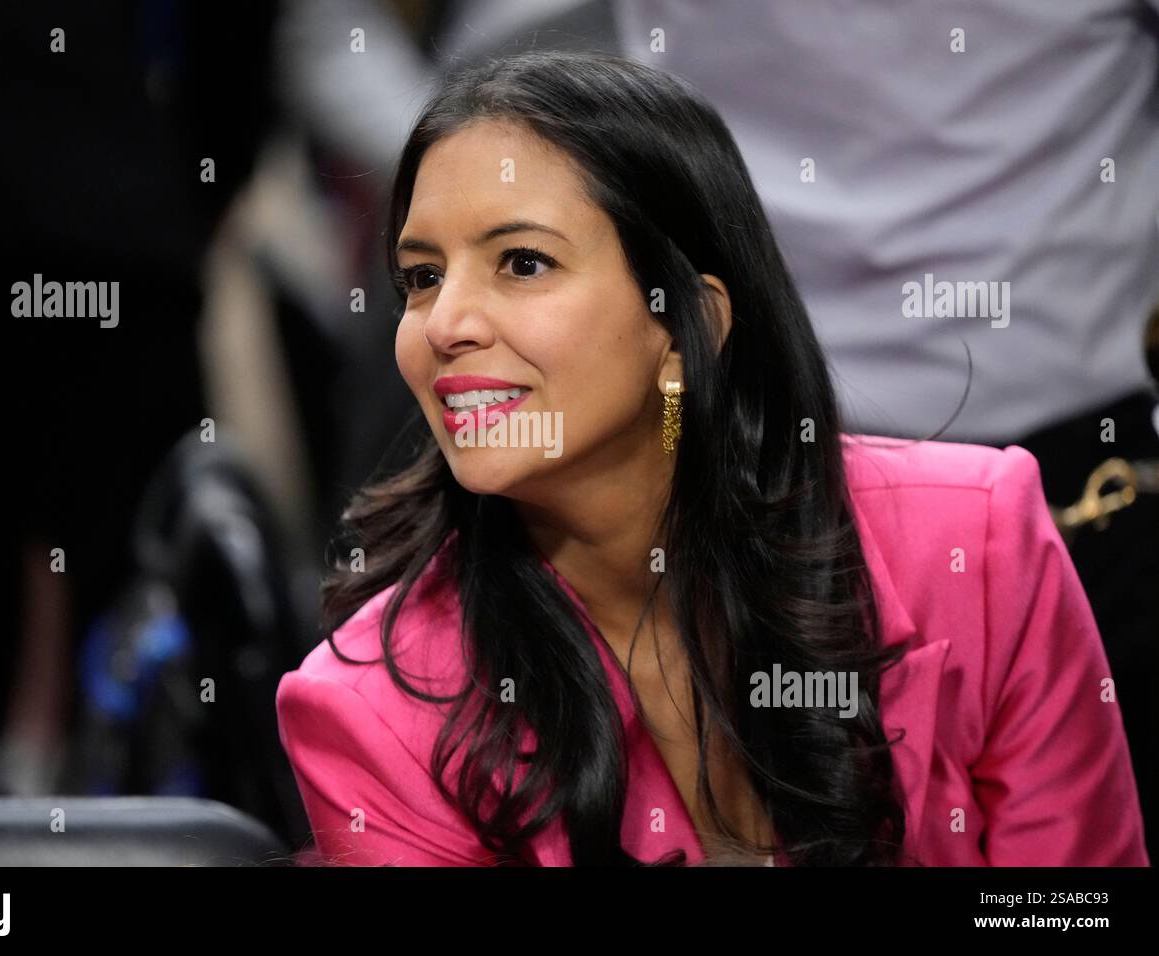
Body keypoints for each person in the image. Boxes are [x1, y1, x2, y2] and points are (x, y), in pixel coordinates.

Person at [274, 51, 1148, 866]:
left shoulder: (979, 543)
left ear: (689, 327)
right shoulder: (368, 712)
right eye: (421, 276)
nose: (444, 322)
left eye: (522, 263)